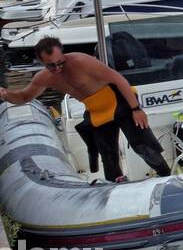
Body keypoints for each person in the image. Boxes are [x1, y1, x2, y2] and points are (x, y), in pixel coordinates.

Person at [0, 37, 170, 182]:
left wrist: (136, 108)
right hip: (97, 112)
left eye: (60, 63)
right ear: (41, 61)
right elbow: (23, 97)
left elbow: (118, 79)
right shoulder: (43, 78)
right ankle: (115, 185)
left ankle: (166, 175)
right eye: (51, 66)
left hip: (119, 102)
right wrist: (5, 94)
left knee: (142, 146)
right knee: (108, 156)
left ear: (63, 54)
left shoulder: (81, 61)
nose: (57, 68)